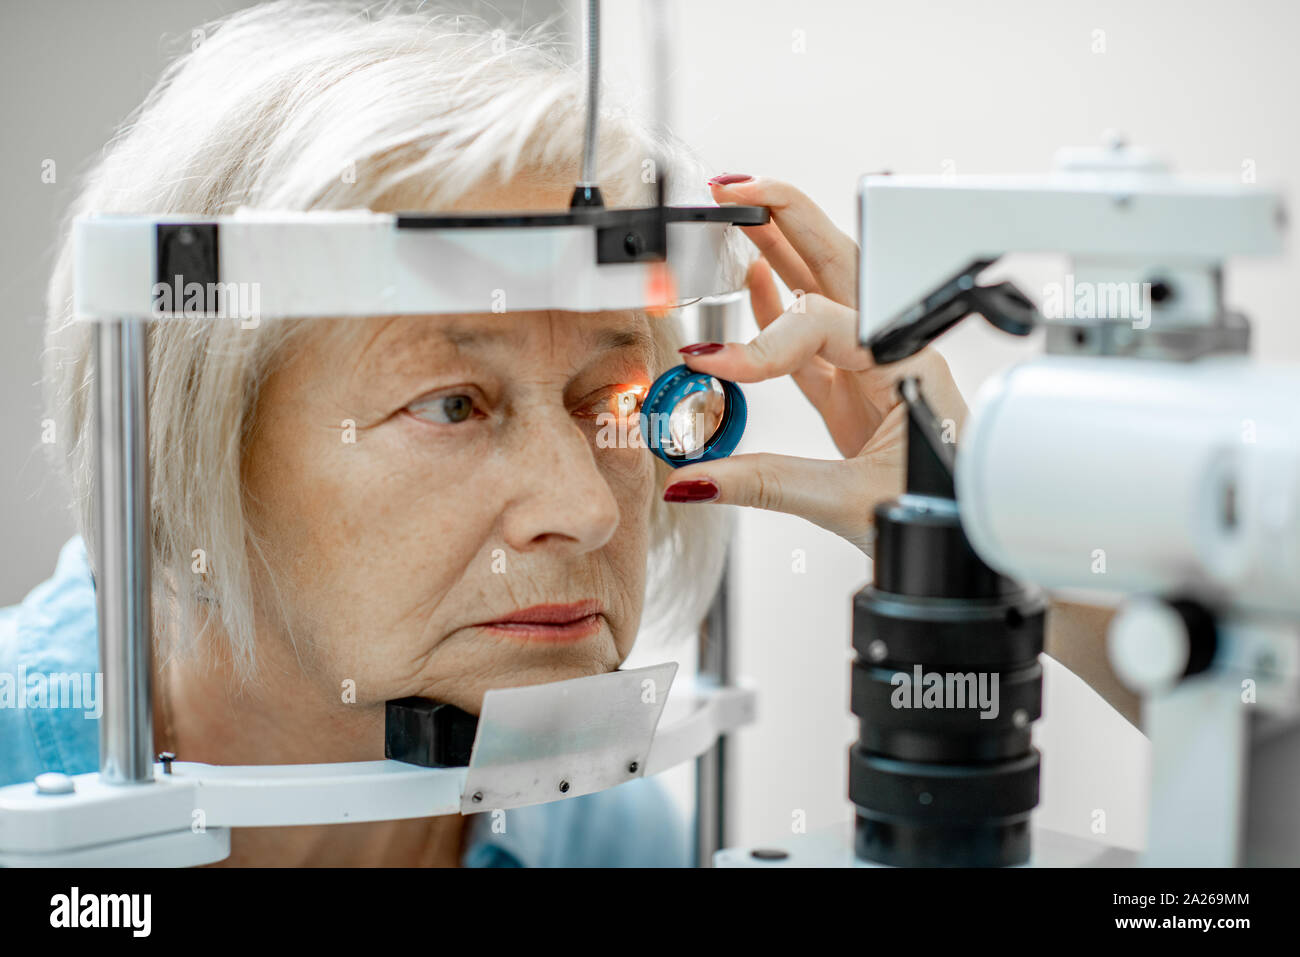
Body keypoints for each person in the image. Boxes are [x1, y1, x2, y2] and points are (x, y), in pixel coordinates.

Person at [0, 0, 1131, 867]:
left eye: (614, 403)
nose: (588, 507)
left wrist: (975, 530)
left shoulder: (591, 828)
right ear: (188, 447)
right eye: (451, 403)